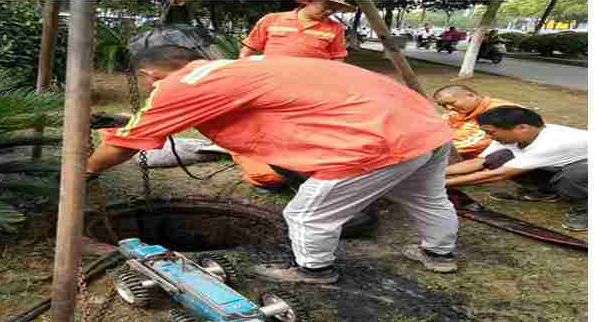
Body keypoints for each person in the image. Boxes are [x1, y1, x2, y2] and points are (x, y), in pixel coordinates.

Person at [87, 45, 459, 283]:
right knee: (428, 198)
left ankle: (314, 271)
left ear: (151, 75)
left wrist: (87, 171)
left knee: (306, 214)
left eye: (149, 83)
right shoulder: (241, 66)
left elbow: (126, 145)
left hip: (370, 140)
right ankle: (439, 255)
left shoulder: (183, 85)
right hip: (423, 125)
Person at [236, 0, 355, 192]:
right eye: (325, 6)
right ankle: (265, 176)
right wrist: (244, 76)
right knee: (264, 131)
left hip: (309, 93)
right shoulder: (272, 20)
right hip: (269, 91)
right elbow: (247, 52)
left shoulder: (335, 29)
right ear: (309, 0)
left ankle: (302, 174)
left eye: (334, 9)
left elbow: (337, 61)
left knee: (304, 133)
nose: (329, 12)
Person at [445, 106, 587, 231]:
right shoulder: (511, 136)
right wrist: (435, 174)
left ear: (522, 127)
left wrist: (440, 184)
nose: (488, 136)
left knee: (574, 176)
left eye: (491, 132)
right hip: (567, 164)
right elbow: (479, 162)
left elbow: (497, 175)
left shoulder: (553, 143)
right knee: (500, 157)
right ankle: (547, 192)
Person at [433, 85, 520, 160]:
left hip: (490, 161)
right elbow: (435, 127)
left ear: (470, 95)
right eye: (444, 105)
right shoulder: (459, 112)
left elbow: (477, 144)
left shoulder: (500, 112)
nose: (448, 108)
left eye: (451, 103)